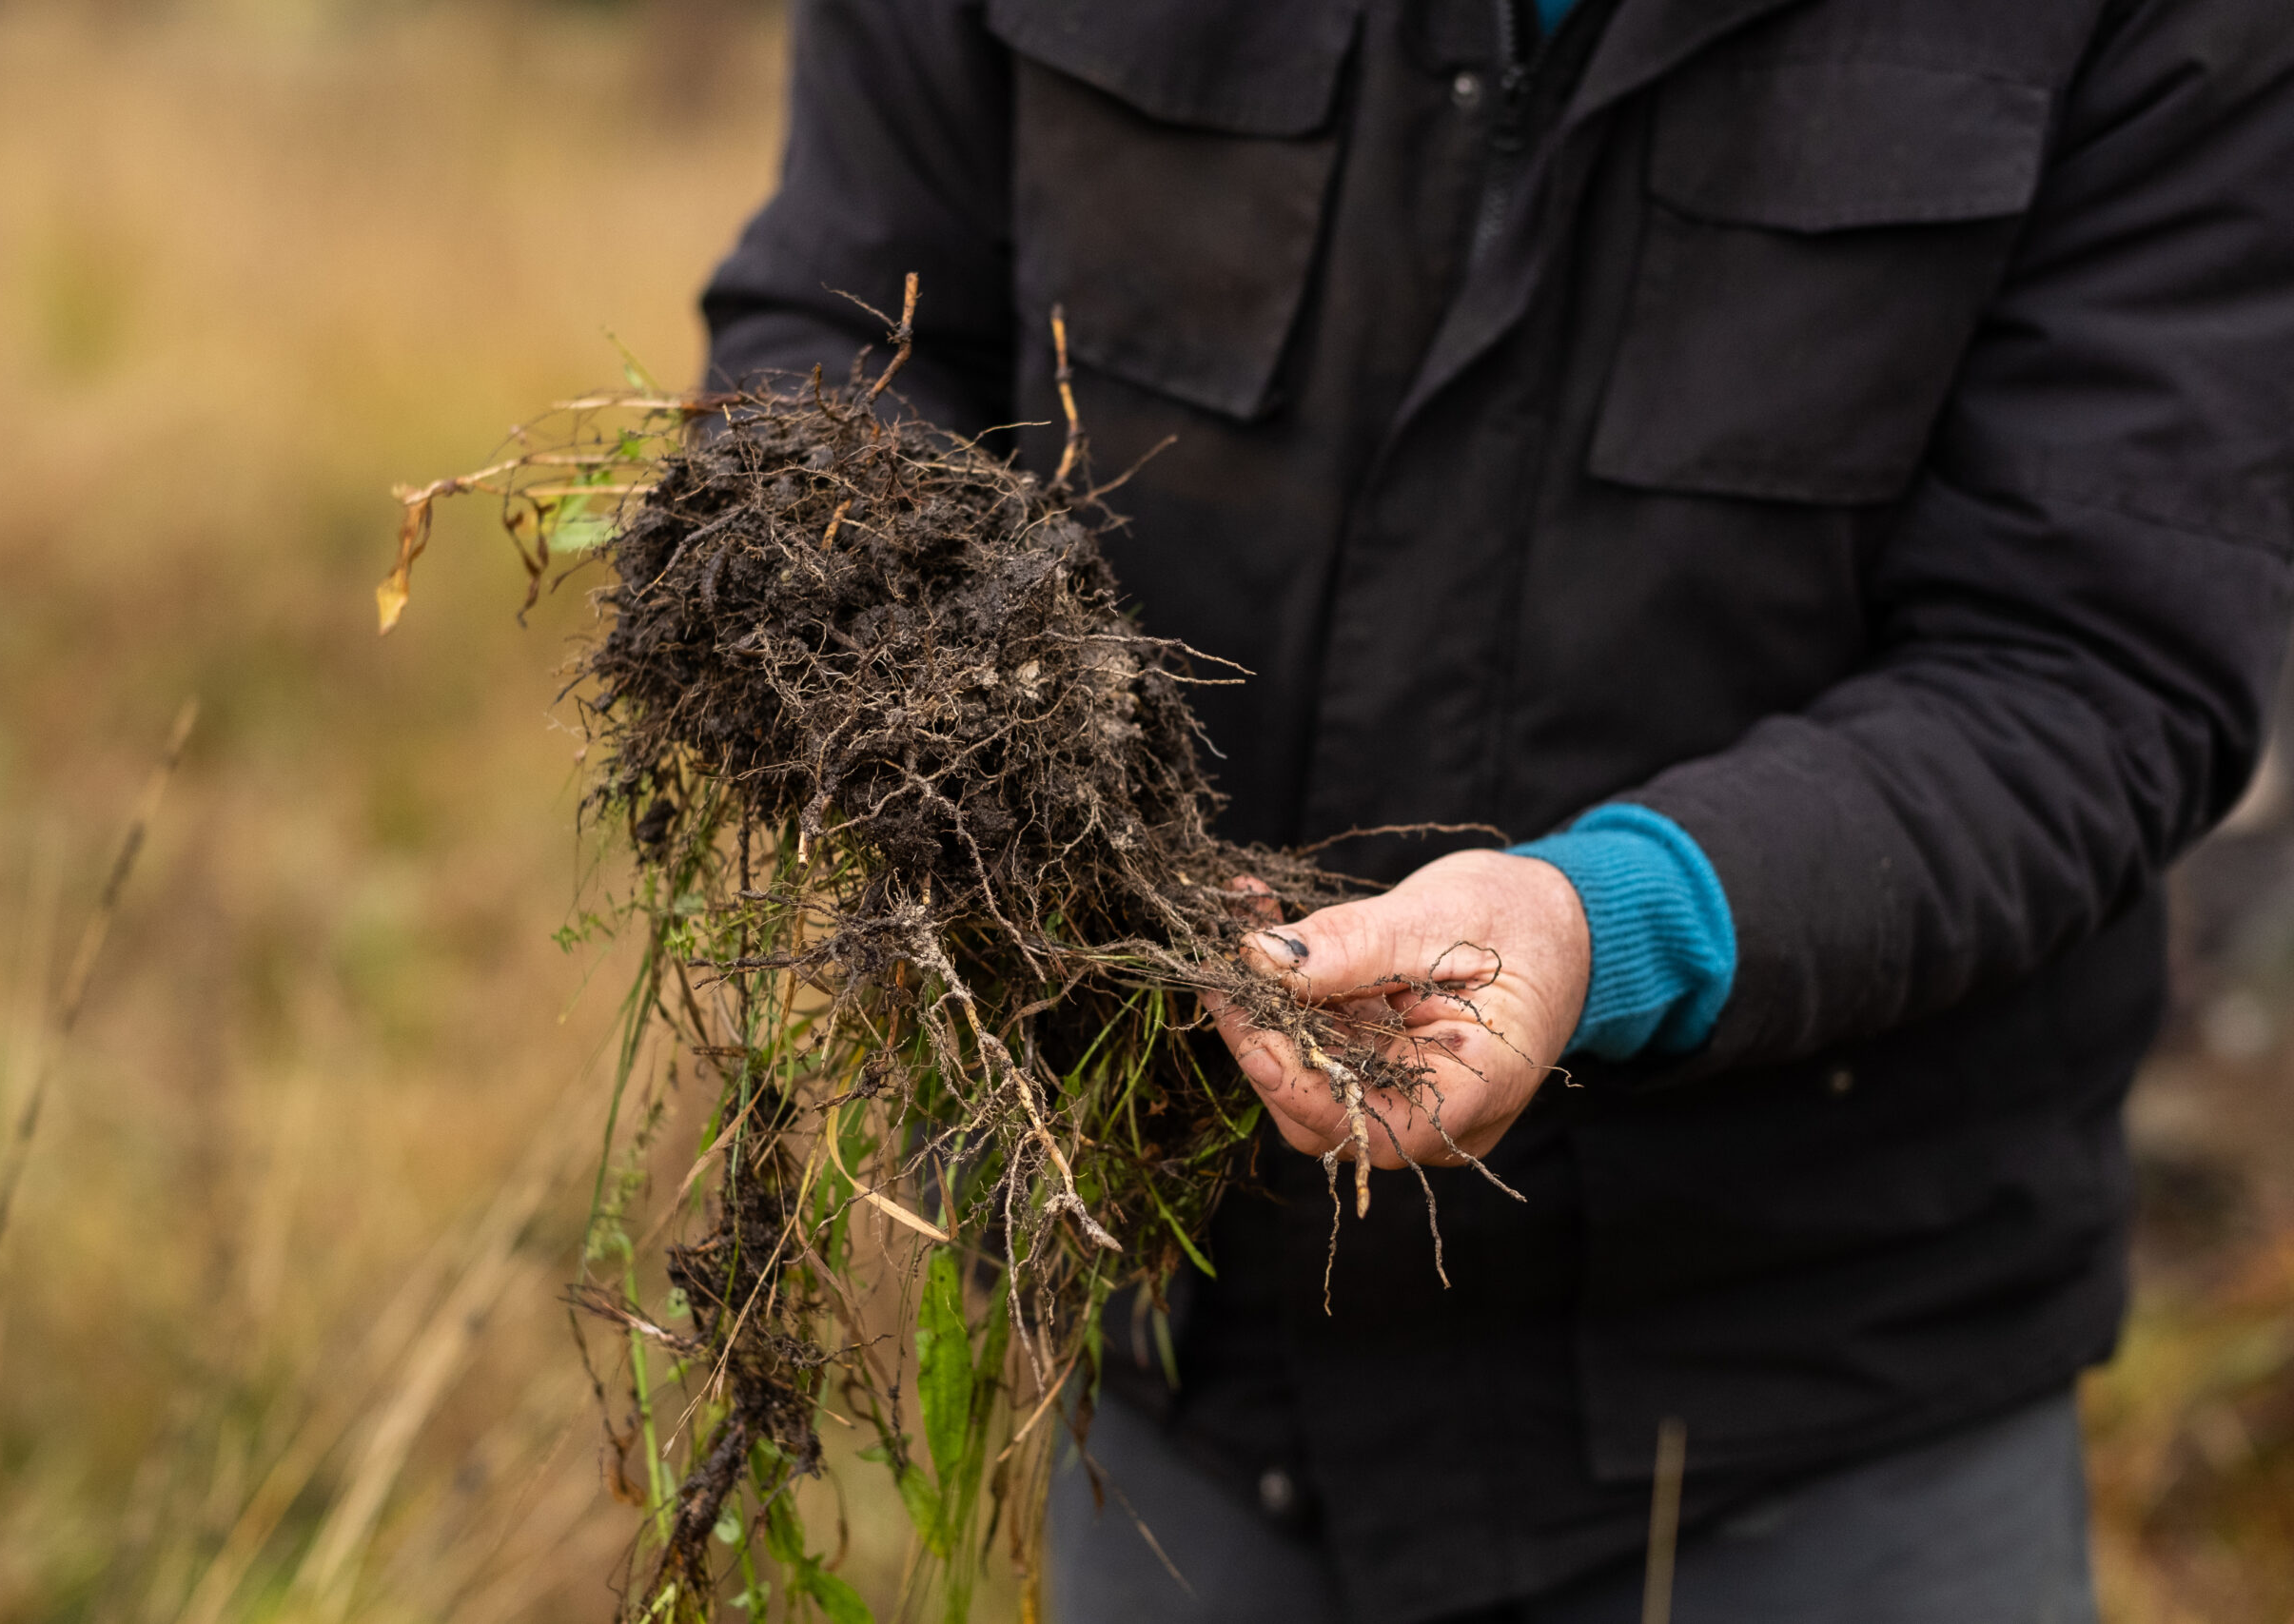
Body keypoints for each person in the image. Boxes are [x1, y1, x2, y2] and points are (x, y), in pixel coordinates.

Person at [699, 0, 2294, 1617]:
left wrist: (1603, 923)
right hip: (1172, 1346)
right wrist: (917, 686)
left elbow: (2086, 660)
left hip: (1808, 1404)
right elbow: (837, 324)